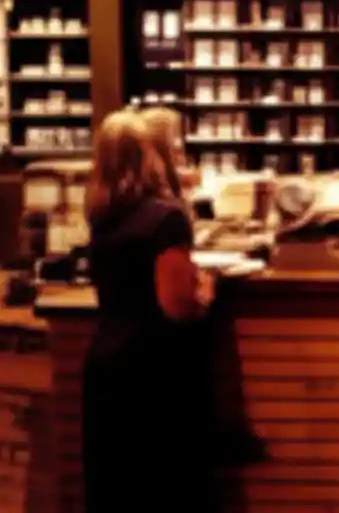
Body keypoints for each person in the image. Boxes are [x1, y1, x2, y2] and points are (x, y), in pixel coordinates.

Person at [81, 110, 219, 513]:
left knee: (115, 493)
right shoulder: (166, 218)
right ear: (149, 155)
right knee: (166, 493)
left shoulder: (102, 216)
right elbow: (177, 306)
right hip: (155, 379)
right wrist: (205, 290)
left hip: (106, 370)